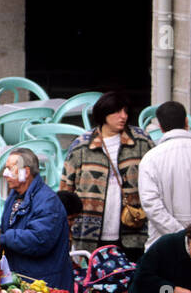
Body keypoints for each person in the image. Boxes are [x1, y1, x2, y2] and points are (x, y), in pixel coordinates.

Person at [60, 90, 154, 256]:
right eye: (117, 111)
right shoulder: (82, 145)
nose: (123, 116)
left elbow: (155, 177)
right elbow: (66, 187)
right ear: (104, 113)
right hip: (89, 231)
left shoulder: (141, 141)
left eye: (125, 111)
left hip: (132, 228)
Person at [0, 147, 74, 290]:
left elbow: (39, 239)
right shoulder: (15, 195)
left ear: (26, 172)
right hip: (23, 276)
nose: (5, 174)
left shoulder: (48, 201)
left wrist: (4, 237)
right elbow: (16, 227)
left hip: (45, 283)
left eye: (10, 169)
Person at [137, 100, 191, 248]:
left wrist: (182, 234)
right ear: (187, 122)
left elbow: (151, 204)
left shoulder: (150, 159)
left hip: (164, 245)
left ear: (160, 127)